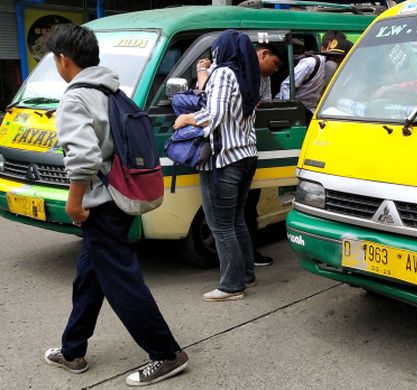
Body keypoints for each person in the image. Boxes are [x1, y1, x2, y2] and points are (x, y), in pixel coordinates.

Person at [43, 23, 188, 386]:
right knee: (89, 278)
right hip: (120, 200)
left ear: (63, 60)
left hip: (99, 206)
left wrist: (75, 205)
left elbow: (83, 160)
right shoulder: (113, 92)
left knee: (122, 283)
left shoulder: (76, 98)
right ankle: (73, 350)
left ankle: (167, 354)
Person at [174, 29, 261, 302]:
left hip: (223, 161)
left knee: (221, 226)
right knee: (236, 220)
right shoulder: (248, 76)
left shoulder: (223, 73)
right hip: (246, 156)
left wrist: (186, 119)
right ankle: (246, 274)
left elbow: (213, 115)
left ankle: (232, 286)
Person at [248, 42, 284, 267]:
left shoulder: (265, 78)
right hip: (237, 152)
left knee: (251, 202)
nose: (276, 69)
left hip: (252, 148)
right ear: (264, 54)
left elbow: (266, 107)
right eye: (276, 63)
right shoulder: (236, 74)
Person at [276, 31, 350, 120]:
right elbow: (286, 86)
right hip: (294, 109)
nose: (336, 61)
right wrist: (291, 113)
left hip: (312, 111)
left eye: (340, 59)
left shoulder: (341, 72)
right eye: (333, 57)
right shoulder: (311, 63)